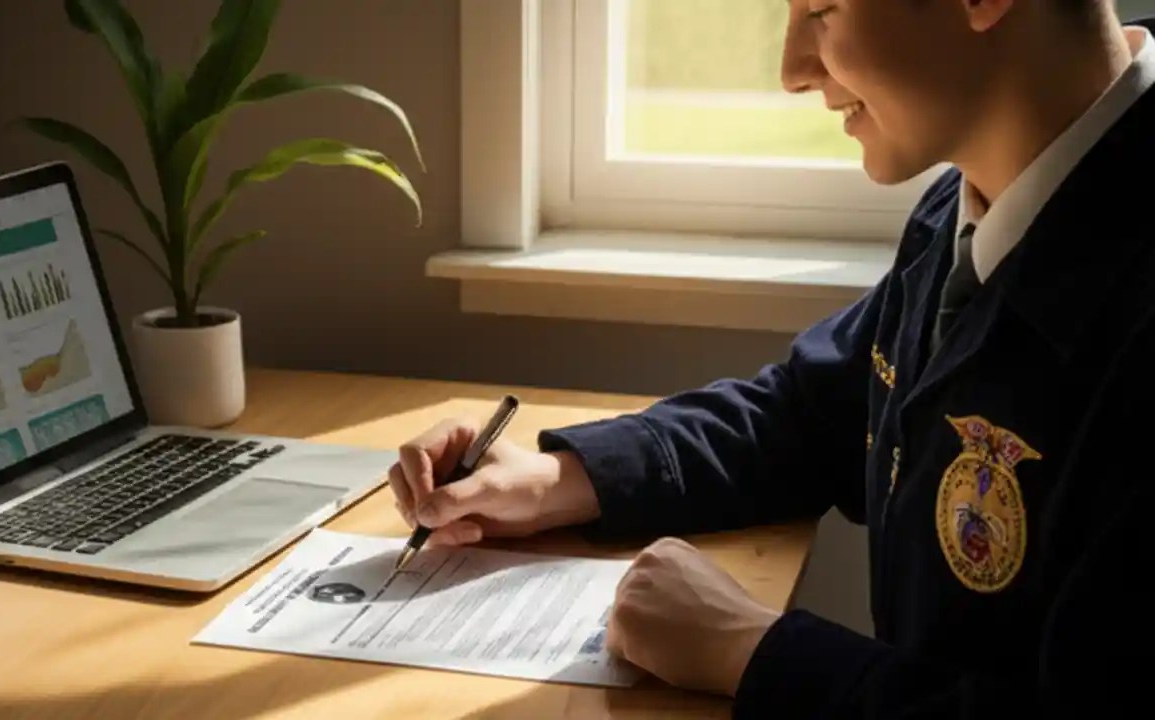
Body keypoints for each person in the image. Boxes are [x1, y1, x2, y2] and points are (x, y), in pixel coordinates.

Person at [390, 0, 1155, 716]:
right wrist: (566, 477)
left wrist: (754, 651)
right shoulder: (971, 202)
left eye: (821, 10)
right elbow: (810, 415)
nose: (792, 69)